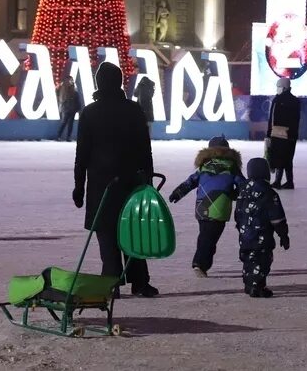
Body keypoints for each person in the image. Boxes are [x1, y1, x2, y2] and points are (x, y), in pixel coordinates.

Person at [73, 61, 158, 297]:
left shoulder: (90, 112)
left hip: (101, 184)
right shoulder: (133, 110)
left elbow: (82, 154)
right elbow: (145, 149)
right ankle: (139, 282)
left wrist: (79, 186)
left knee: (107, 233)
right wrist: (148, 180)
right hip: (132, 181)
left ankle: (111, 282)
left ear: (99, 83)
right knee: (133, 230)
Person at [168, 136, 244, 277]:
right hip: (220, 206)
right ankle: (200, 263)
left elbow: (190, 182)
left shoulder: (204, 166)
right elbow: (243, 186)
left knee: (205, 235)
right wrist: (234, 195)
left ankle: (202, 262)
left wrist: (177, 193)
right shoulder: (232, 167)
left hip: (202, 206)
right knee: (210, 237)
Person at [234, 157, 289, 297]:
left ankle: (249, 284)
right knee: (262, 261)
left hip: (245, 235)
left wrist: (240, 227)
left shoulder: (242, 191)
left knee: (248, 259)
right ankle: (257, 287)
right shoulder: (269, 193)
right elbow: (277, 217)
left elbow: (238, 213)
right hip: (263, 236)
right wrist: (283, 234)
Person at [267, 77, 301, 189]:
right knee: (288, 158)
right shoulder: (295, 101)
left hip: (278, 133)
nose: (278, 89)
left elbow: (272, 119)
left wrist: (268, 133)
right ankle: (289, 181)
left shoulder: (277, 100)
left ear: (284, 87)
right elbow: (296, 119)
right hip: (291, 134)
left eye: (279, 87)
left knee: (279, 157)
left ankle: (278, 181)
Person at [56, 76, 80, 142]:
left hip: (72, 109)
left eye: (71, 80)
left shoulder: (73, 88)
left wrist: (77, 108)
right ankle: (59, 136)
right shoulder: (63, 88)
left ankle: (68, 137)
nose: (71, 81)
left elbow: (77, 99)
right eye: (70, 80)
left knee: (70, 124)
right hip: (66, 108)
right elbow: (61, 97)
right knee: (64, 122)